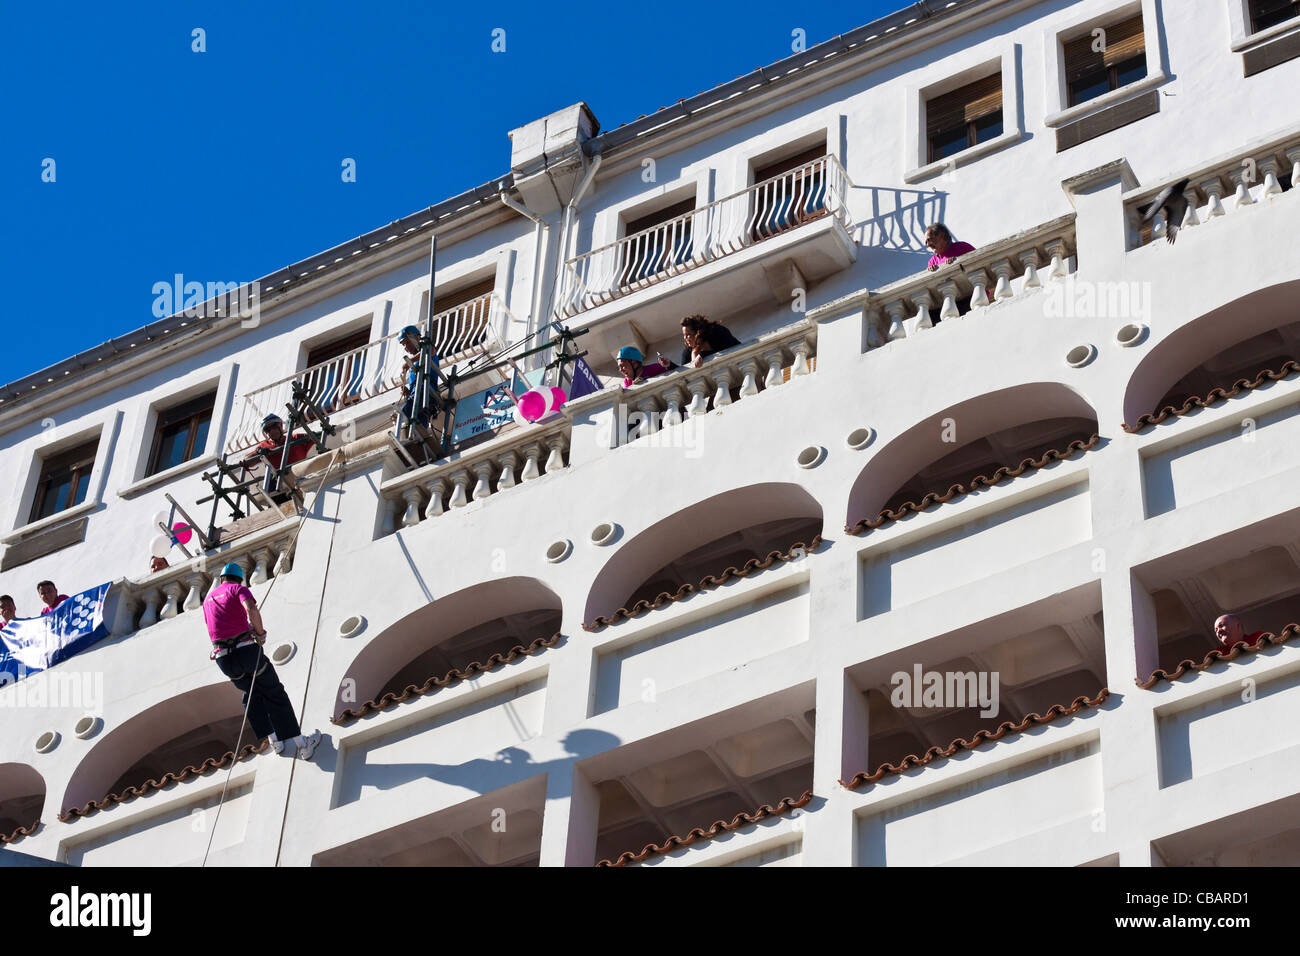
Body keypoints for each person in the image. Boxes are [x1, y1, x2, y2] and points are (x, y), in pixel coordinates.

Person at [202, 562, 321, 760]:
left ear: (221, 579)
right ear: (239, 579)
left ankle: (275, 741)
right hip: (247, 653)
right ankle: (302, 744)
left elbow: (216, 629)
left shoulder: (208, 601)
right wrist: (260, 633)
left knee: (251, 695)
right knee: (274, 693)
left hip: (225, 660)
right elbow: (251, 609)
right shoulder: (238, 589)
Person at [245, 414, 313, 501]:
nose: (271, 431)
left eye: (274, 426)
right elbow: (247, 461)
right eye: (267, 429)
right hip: (279, 487)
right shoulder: (264, 446)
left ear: (280, 425)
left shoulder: (296, 438)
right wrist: (257, 452)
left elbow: (317, 438)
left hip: (300, 480)